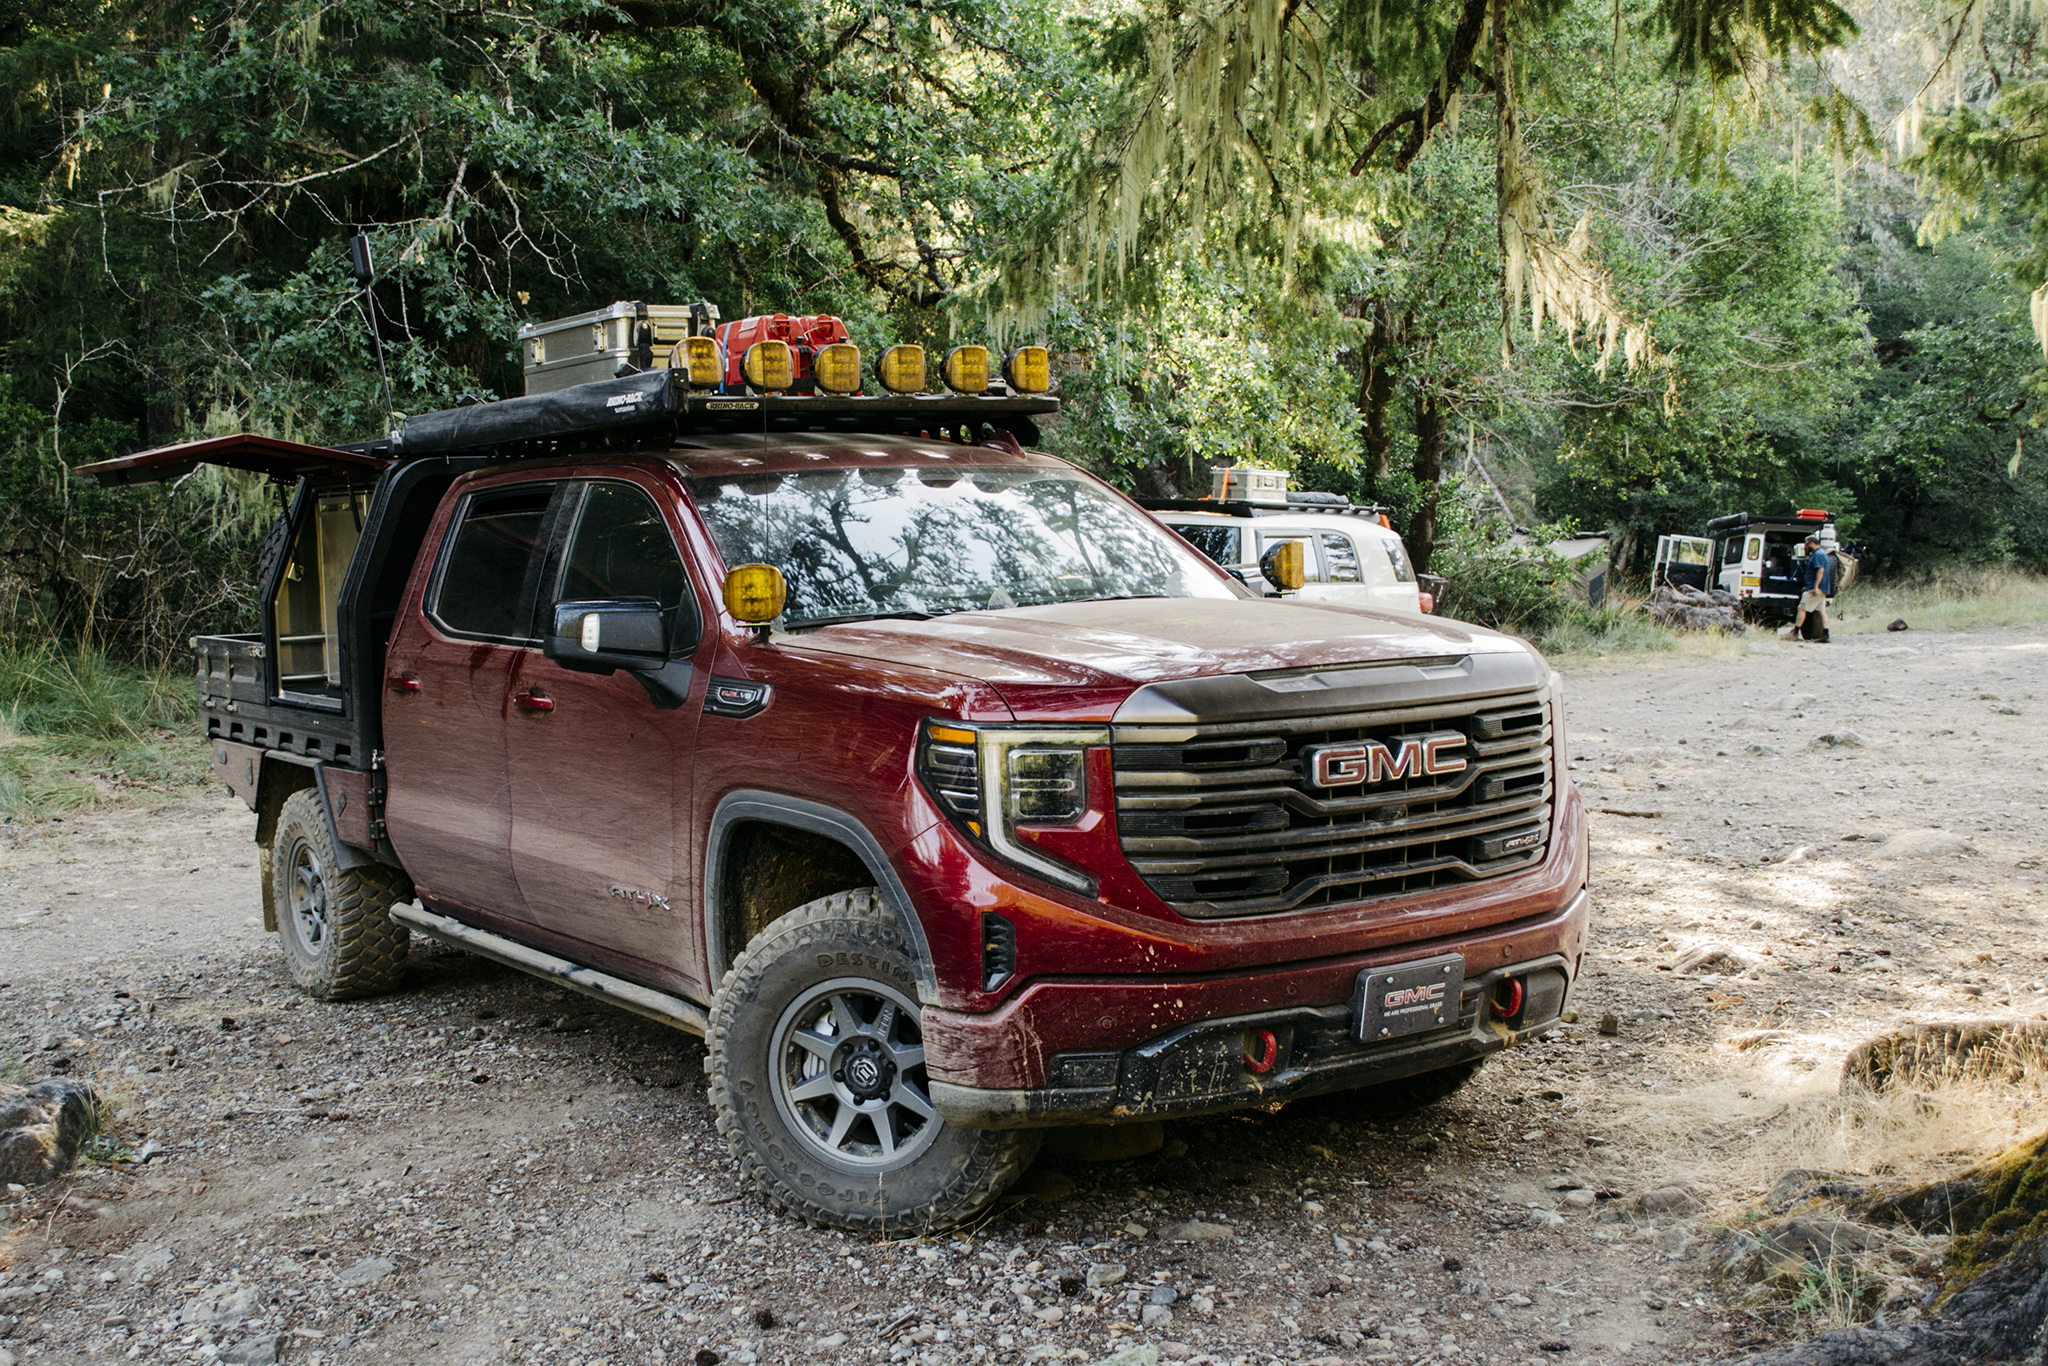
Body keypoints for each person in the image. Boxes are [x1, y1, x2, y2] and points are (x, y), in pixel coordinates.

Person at [1794, 533, 1833, 642]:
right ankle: (1825, 634)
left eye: (1807, 544)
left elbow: (1820, 570)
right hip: (1822, 588)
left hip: (1816, 588)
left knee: (1802, 608)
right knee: (1822, 611)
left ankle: (1794, 632)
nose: (1806, 546)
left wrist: (1815, 586)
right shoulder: (1821, 553)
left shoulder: (1818, 555)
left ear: (1812, 542)